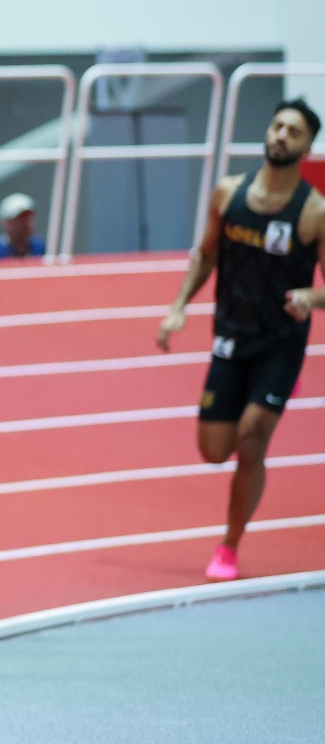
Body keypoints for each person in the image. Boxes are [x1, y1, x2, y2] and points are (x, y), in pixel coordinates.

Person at [157, 98, 325, 581]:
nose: (280, 136)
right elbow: (206, 256)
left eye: (293, 132)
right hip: (231, 336)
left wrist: (311, 296)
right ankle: (261, 400)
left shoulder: (314, 212)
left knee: (251, 441)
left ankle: (229, 546)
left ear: (308, 145)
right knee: (214, 450)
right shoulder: (229, 194)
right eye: (276, 126)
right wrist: (177, 307)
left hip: (280, 341)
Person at [0, 192, 44, 258]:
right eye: (19, 219)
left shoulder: (39, 247)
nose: (25, 224)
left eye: (28, 218)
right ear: (3, 222)